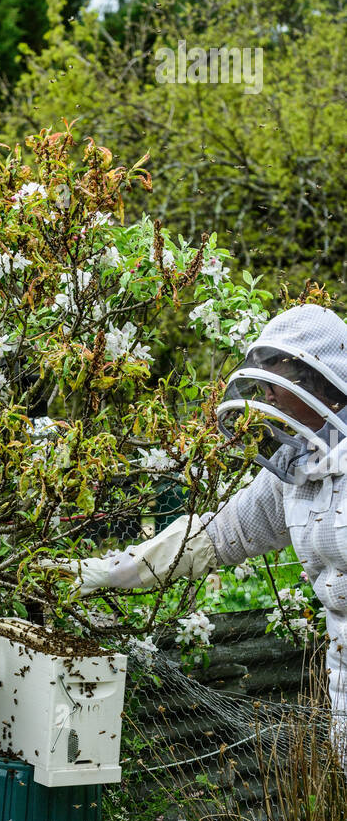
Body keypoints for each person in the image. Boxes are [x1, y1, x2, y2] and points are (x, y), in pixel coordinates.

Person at [64, 303, 347, 745]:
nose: (267, 396)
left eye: (279, 379)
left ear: (316, 380)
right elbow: (216, 534)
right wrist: (108, 571)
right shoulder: (297, 469)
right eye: (264, 378)